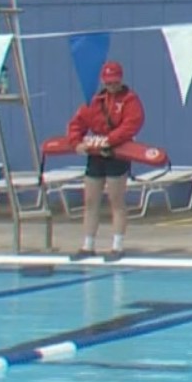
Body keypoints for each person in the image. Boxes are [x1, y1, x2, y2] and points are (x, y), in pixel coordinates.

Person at [66, 61, 146, 262]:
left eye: (115, 82)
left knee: (116, 200)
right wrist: (76, 142)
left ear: (120, 80)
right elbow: (77, 123)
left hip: (117, 153)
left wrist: (109, 141)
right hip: (96, 154)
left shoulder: (130, 100)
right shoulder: (94, 100)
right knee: (91, 201)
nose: (111, 86)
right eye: (108, 82)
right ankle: (88, 245)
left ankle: (117, 246)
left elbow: (131, 125)